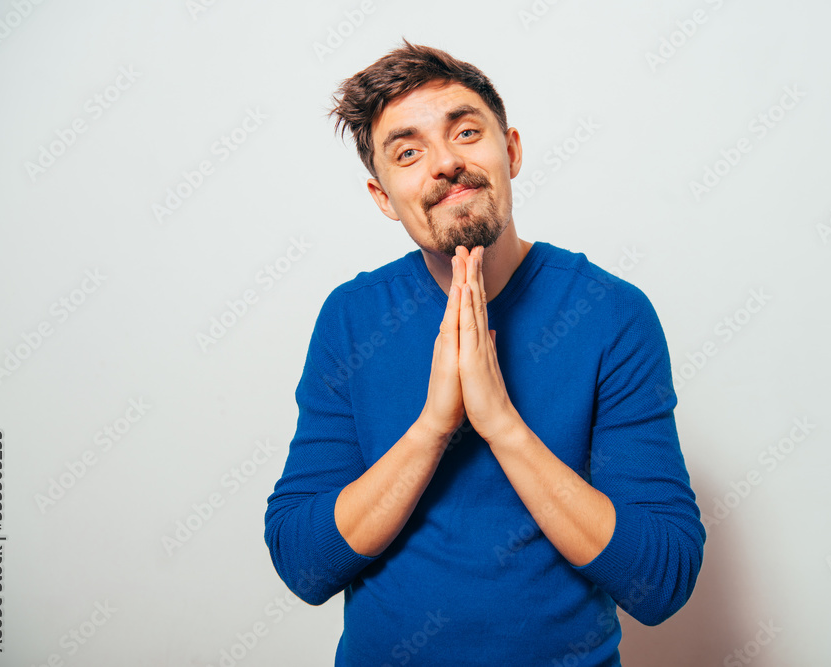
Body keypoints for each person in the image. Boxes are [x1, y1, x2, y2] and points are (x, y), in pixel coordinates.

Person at [264, 39, 705, 666]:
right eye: (409, 152)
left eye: (466, 132)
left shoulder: (611, 313)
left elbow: (661, 581)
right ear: (384, 198)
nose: (444, 163)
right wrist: (434, 426)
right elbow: (303, 564)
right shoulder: (352, 318)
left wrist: (500, 423)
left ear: (512, 150)